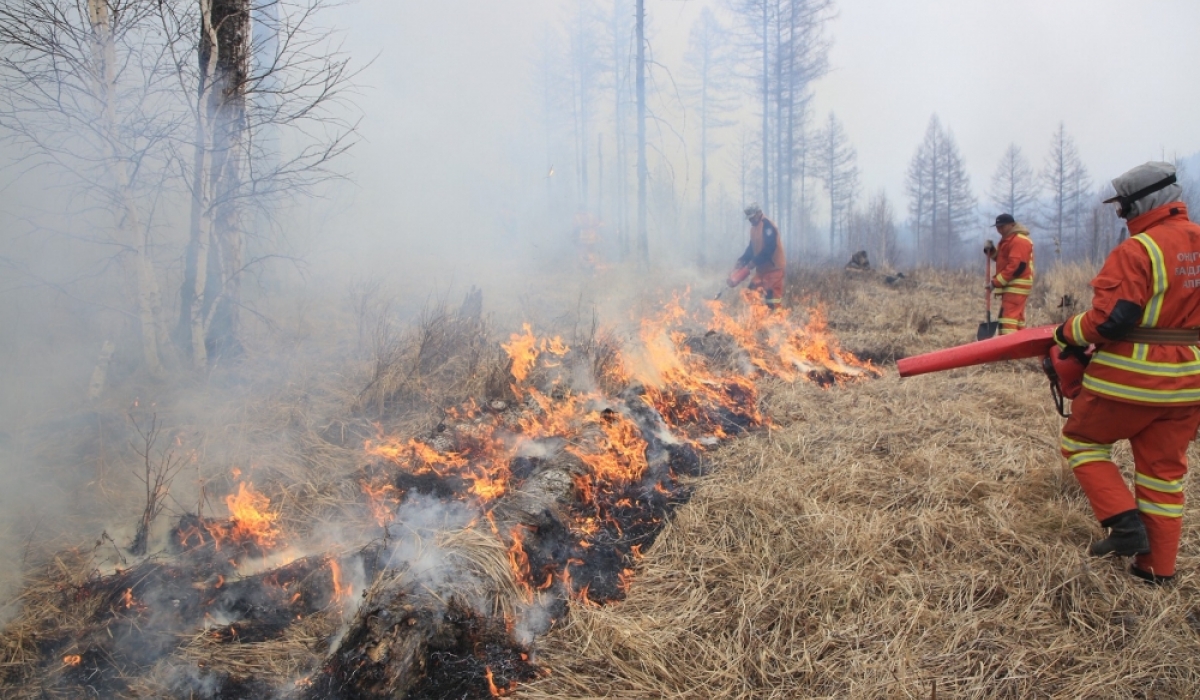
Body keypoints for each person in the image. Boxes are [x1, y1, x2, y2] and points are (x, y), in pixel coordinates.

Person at [1054, 161, 1200, 584]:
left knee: (1082, 443)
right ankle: (1156, 571)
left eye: (1123, 208)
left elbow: (1109, 321)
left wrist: (1066, 332)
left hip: (1131, 381)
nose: (1123, 216)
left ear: (1144, 202)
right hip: (1188, 387)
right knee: (1164, 476)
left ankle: (1123, 524)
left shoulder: (1139, 251)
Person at [727, 202, 785, 309]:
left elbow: (769, 249)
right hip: (761, 270)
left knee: (772, 300)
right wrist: (743, 260)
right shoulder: (754, 229)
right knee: (751, 293)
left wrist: (754, 262)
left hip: (773, 270)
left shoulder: (767, 226)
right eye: (749, 218)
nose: (750, 220)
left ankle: (777, 323)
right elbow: (751, 249)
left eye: (752, 217)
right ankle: (755, 321)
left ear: (759, 213)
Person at [983, 214, 1034, 334]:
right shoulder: (1008, 240)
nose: (999, 229)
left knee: (1008, 320)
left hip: (1017, 285)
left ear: (1012, 225)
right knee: (1017, 320)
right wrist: (990, 251)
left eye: (1002, 226)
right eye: (997, 227)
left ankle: (1007, 349)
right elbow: (1003, 261)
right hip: (1013, 284)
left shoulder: (1019, 240)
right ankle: (1021, 346)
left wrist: (995, 283)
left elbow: (1015, 266)